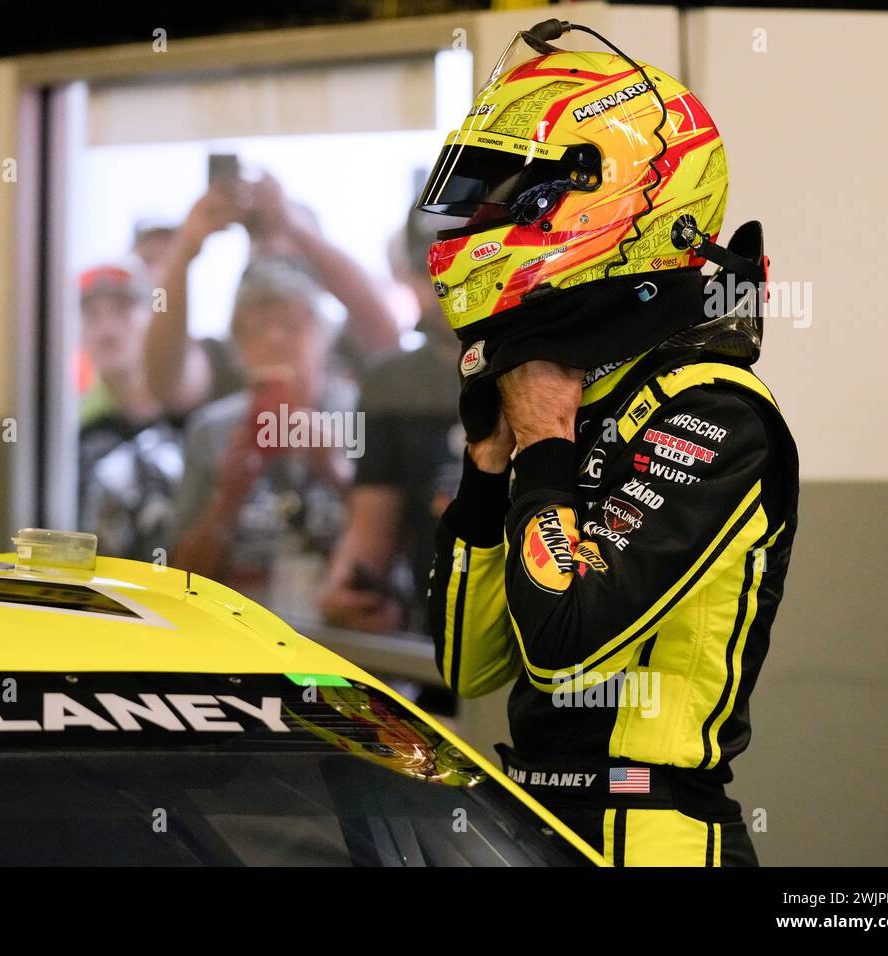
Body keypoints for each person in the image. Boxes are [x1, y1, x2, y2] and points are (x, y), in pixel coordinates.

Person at [418, 33, 798, 866]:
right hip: (536, 827)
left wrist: (546, 445)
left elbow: (565, 649)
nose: (482, 221)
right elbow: (468, 661)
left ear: (615, 202)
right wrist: (491, 462)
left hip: (654, 835)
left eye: (513, 196)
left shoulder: (717, 410)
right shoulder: (572, 391)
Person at [170, 262, 355, 611]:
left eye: (290, 325)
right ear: (237, 348)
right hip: (239, 632)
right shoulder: (212, 431)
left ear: (323, 336)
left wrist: (334, 469)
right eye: (256, 330)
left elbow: (400, 548)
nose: (274, 339)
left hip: (339, 636)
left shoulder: (358, 415)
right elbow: (180, 579)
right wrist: (228, 497)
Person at [145, 172, 398, 418]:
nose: (275, 258)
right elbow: (162, 375)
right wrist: (182, 252)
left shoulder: (341, 343)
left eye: (292, 252)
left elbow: (384, 323)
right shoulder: (227, 353)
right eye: (263, 244)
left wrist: (295, 227)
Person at [319, 207, 464, 634]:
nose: (443, 282)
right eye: (429, 268)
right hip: (438, 640)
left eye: (459, 261)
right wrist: (349, 587)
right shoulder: (391, 380)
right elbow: (370, 529)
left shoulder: (560, 362)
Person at [76, 261, 183, 563]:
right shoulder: (73, 433)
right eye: (90, 315)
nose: (107, 329)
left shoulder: (192, 420)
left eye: (124, 309)